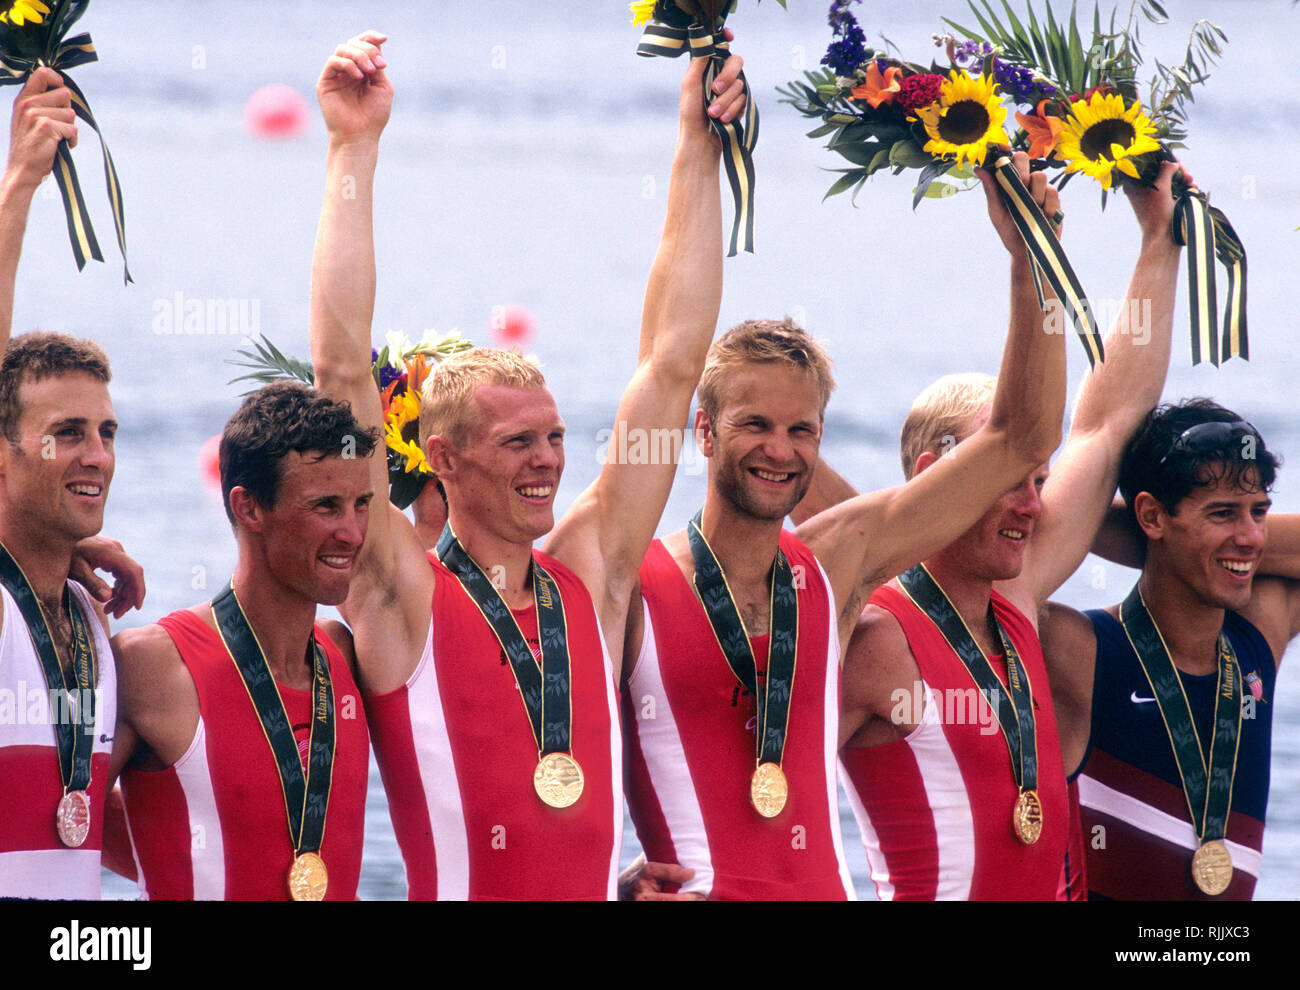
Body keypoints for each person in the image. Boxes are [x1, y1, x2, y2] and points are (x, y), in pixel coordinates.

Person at [307, 30, 748, 899]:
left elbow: (671, 363)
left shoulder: (593, 573)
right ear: (444, 458)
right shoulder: (398, 587)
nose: (548, 461)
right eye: (518, 444)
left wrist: (697, 146)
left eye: (552, 437)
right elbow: (341, 372)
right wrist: (351, 149)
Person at [620, 150, 1068, 900]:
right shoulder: (628, 585)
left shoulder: (836, 566)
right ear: (702, 431)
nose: (779, 449)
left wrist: (1033, 264)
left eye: (801, 430)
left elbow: (1023, 438)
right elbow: (542, 755)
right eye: (754, 424)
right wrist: (620, 885)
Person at [774, 160, 1191, 900]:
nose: (1034, 506)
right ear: (938, 474)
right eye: (1010, 482)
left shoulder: (1019, 592)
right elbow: (769, 798)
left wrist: (1160, 239)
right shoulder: (875, 638)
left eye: (1038, 481)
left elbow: (1109, 420)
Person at [109, 382, 379, 900]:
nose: (353, 533)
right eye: (326, 507)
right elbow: (60, 816)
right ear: (249, 508)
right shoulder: (153, 666)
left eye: (360, 504)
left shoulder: (343, 656)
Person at [1043, 400, 1299, 899]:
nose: (1251, 538)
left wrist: (1197, 541)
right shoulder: (1077, 649)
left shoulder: (1256, 641)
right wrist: (1163, 534)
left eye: (1259, 512)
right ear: (1151, 514)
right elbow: (1007, 525)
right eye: (1222, 513)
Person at [0, 68, 143, 900]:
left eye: (106, 433)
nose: (96, 455)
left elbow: (99, 826)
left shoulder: (92, 613)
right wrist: (19, 184)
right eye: (65, 434)